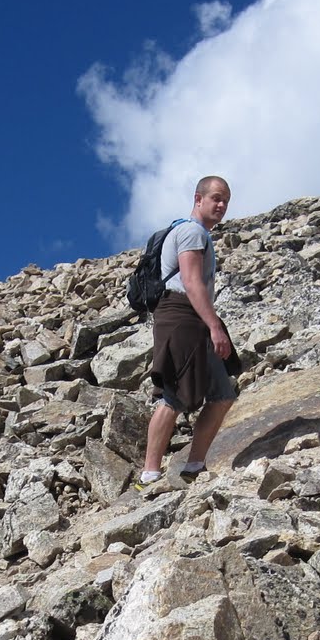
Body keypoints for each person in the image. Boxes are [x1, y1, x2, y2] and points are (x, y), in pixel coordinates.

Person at [141, 175, 236, 484]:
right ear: (199, 199)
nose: (221, 205)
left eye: (226, 201)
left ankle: (194, 466)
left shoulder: (189, 231)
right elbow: (192, 282)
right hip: (183, 315)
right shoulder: (192, 232)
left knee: (221, 394)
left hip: (189, 316)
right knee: (175, 395)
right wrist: (214, 327)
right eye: (216, 198)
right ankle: (150, 474)